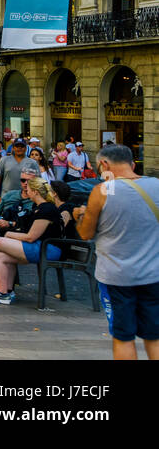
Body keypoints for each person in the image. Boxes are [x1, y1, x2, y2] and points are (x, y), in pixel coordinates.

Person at [72, 144, 159, 360]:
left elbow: (85, 234)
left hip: (116, 276)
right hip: (153, 274)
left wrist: (79, 215)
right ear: (132, 163)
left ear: (104, 164)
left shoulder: (101, 191)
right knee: (155, 336)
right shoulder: (157, 185)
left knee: (123, 337)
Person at [0, 177, 63, 305]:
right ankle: (4, 292)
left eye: (29, 189)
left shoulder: (47, 209)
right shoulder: (37, 208)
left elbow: (31, 236)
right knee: (0, 255)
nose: (27, 191)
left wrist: (9, 234)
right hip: (38, 246)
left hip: (47, 249)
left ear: (36, 191)